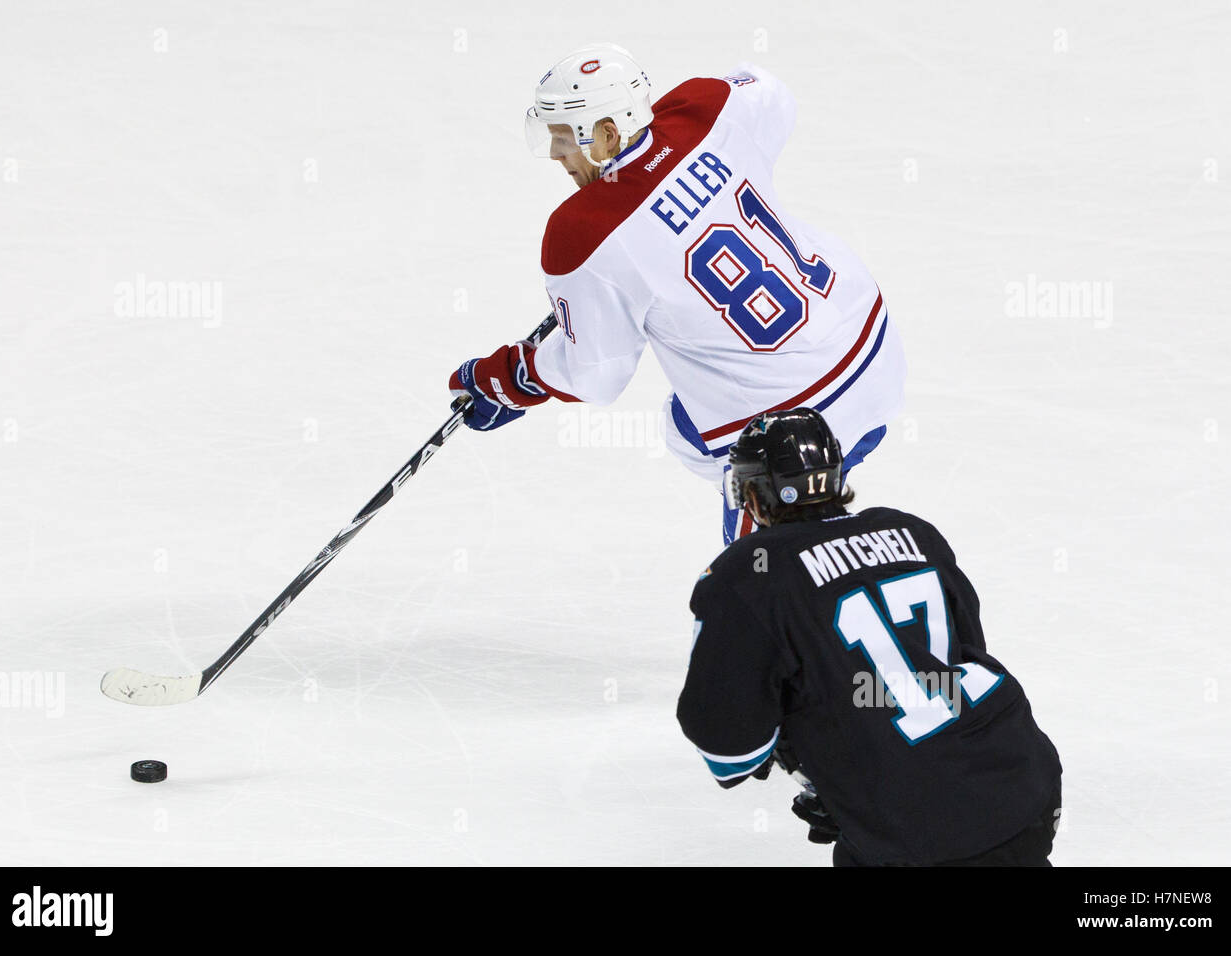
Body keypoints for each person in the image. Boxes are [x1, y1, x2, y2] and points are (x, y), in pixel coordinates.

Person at [449, 43, 905, 543]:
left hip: (785, 426)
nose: (556, 153)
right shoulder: (705, 108)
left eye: (563, 136)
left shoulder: (582, 232)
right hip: (873, 347)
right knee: (686, 422)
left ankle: (801, 533)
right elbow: (769, 94)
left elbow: (596, 375)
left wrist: (512, 376)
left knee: (764, 580)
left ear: (605, 133)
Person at [677, 408, 1063, 866]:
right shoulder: (913, 533)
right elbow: (957, 657)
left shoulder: (748, 572)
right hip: (1023, 788)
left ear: (755, 493)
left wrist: (819, 759)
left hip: (913, 835)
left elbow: (727, 746)